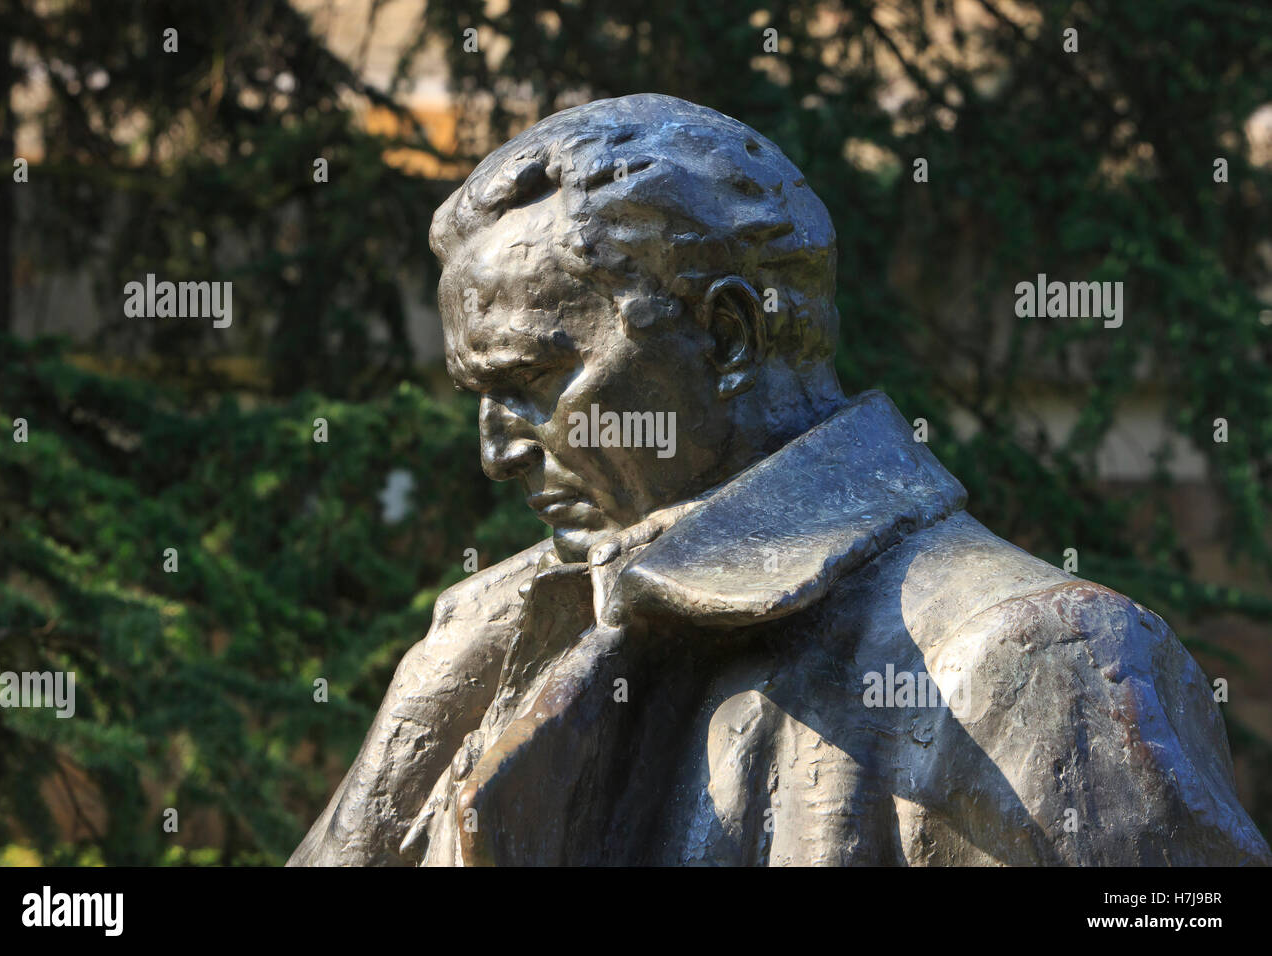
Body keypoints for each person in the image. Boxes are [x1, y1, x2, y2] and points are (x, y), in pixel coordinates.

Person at [290, 94, 1270, 866]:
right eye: (479, 394)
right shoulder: (499, 636)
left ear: (724, 336)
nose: (497, 452)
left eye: (534, 383)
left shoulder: (1029, 659)